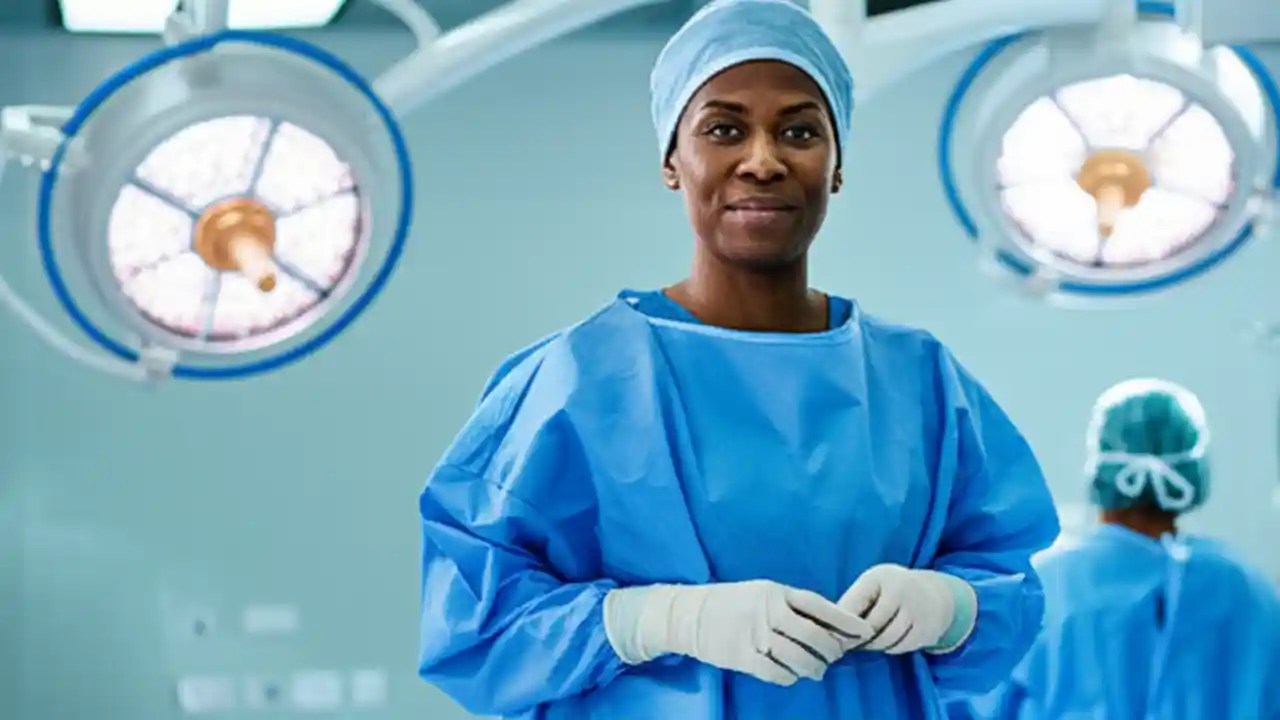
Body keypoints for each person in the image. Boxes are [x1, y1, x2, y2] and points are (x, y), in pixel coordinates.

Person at [415, 0, 1060, 717]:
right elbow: (478, 629)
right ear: (671, 161)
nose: (762, 160)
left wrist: (952, 605)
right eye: (724, 129)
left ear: (836, 164)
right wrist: (657, 621)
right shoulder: (576, 382)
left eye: (800, 131)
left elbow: (1010, 584)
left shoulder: (920, 383)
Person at [948, 378, 1280, 720]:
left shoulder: (1041, 590)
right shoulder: (1251, 594)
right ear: (1194, 470)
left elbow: (962, 703)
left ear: (1100, 470)